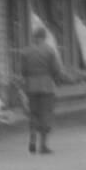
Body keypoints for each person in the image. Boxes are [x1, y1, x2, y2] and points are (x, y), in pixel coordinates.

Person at [20, 26, 63, 154]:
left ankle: (33, 138)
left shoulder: (26, 52)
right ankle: (43, 145)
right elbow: (55, 70)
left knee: (33, 113)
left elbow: (23, 71)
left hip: (31, 86)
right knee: (45, 114)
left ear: (34, 37)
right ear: (44, 37)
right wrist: (58, 81)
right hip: (46, 86)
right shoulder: (50, 51)